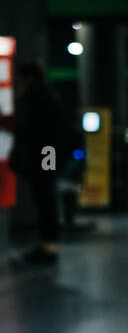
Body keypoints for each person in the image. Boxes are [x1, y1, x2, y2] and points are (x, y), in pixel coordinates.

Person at [7, 59, 69, 265]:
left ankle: (48, 246)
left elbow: (28, 128)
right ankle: (48, 245)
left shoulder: (35, 96)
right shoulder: (47, 95)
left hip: (44, 153)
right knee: (45, 196)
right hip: (48, 152)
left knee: (44, 198)